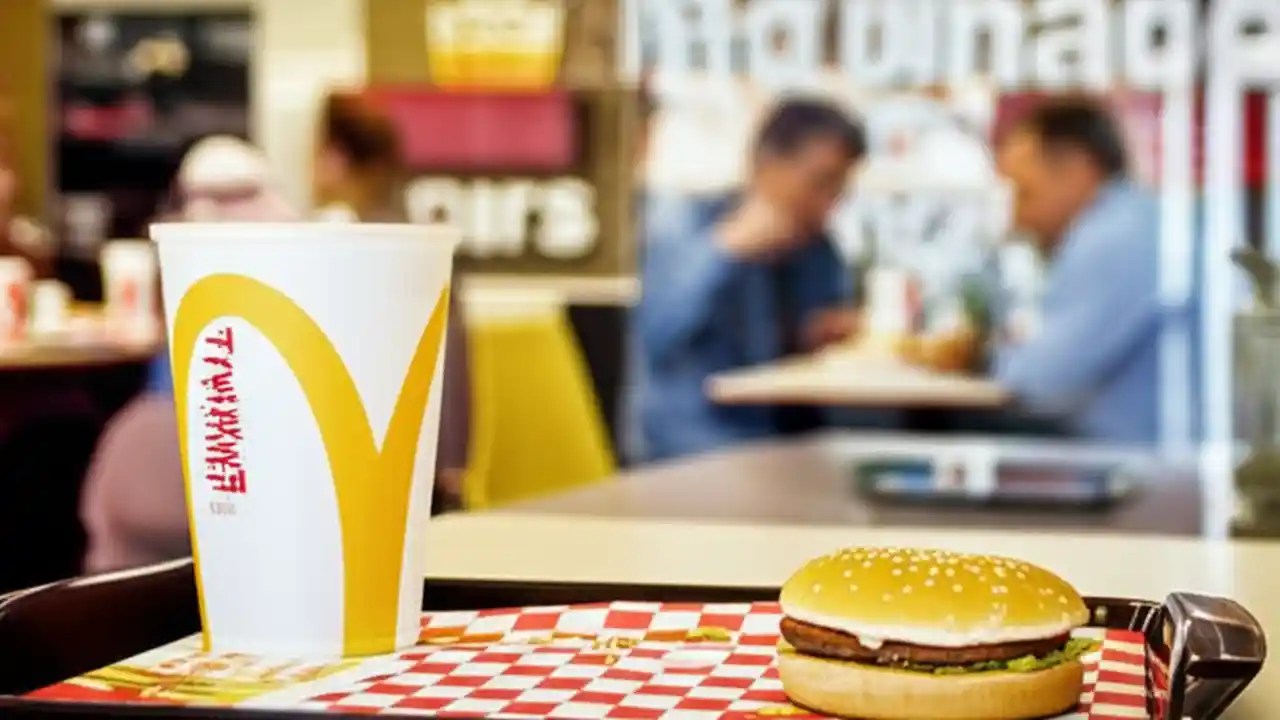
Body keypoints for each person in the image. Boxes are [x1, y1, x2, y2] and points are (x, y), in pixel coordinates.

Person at [634, 99, 865, 462]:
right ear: (765, 165)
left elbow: (809, 351)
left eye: (838, 190)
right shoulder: (690, 224)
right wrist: (726, 250)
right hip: (698, 443)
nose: (826, 204)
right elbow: (652, 336)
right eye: (819, 183)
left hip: (788, 443)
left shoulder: (818, 250)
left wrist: (823, 333)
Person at [314, 92, 471, 512]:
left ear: (335, 157)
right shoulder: (421, 242)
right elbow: (452, 351)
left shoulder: (336, 241)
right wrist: (454, 457)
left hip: (362, 462)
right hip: (422, 458)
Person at [993, 99, 1161, 444]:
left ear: (1077, 170)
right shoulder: (1137, 221)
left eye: (1025, 193)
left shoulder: (1115, 239)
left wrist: (998, 353)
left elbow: (1036, 382)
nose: (1017, 220)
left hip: (1141, 472)